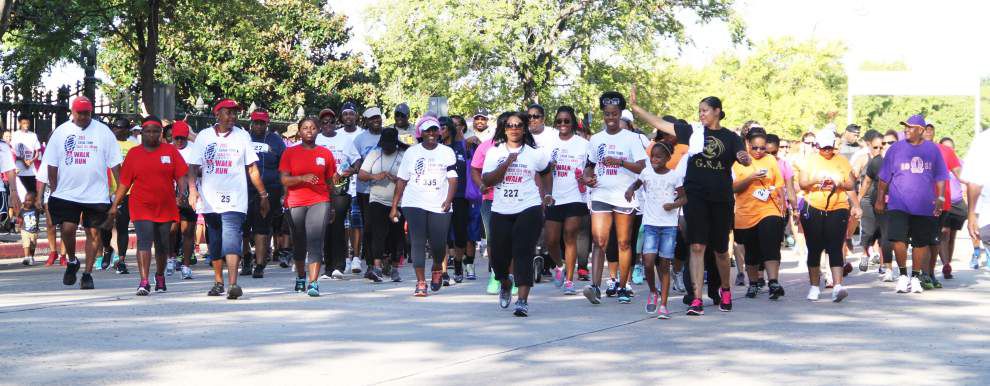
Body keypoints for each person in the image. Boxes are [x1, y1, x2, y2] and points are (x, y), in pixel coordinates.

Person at [630, 87, 751, 315]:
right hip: (696, 197)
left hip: (721, 198)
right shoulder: (693, 132)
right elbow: (662, 124)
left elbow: (743, 158)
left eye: (705, 110)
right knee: (696, 246)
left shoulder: (731, 138)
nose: (701, 114)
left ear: (717, 111)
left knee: (720, 251)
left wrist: (744, 158)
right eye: (700, 111)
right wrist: (637, 109)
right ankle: (696, 298)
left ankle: (725, 289)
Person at [187, 99, 270, 300]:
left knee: (232, 237)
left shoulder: (242, 136)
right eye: (228, 112)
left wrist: (263, 195)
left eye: (235, 113)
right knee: (215, 240)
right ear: (217, 114)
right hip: (210, 199)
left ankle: (233, 284)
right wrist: (192, 190)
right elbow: (193, 167)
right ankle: (218, 282)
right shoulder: (204, 136)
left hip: (235, 198)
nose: (232, 116)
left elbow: (252, 168)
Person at [42, 96, 120, 290]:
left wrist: (120, 191)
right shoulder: (61, 132)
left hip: (96, 194)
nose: (84, 116)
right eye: (80, 113)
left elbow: (115, 164)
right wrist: (55, 188)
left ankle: (87, 274)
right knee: (67, 229)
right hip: (67, 192)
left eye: (87, 113)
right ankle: (72, 260)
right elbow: (51, 163)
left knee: (93, 233)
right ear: (72, 112)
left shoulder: (103, 132)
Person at [109, 116, 189, 296]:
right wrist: (115, 204)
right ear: (142, 133)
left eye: (155, 131)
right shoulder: (134, 154)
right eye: (148, 131)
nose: (151, 135)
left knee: (162, 244)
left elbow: (181, 175)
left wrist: (182, 193)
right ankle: (144, 281)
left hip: (165, 204)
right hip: (141, 204)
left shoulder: (170, 151)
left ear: (161, 133)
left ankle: (159, 276)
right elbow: (124, 182)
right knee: (144, 241)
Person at [581, 91, 647, 305]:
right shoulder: (596, 139)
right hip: (601, 193)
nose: (610, 118)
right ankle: (595, 286)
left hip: (624, 195)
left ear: (620, 115)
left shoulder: (632, 138)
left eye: (614, 114)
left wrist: (619, 162)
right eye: (607, 114)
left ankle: (623, 286)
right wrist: (587, 178)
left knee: (624, 242)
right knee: (599, 240)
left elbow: (642, 167)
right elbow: (589, 167)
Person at [482, 111, 551, 317]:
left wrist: (547, 194)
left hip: (529, 206)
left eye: (518, 125)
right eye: (510, 125)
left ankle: (522, 300)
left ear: (524, 129)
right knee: (498, 256)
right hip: (501, 208)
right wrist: (506, 164)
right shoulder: (494, 152)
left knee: (523, 252)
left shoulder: (534, 153)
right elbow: (488, 180)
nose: (514, 129)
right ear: (504, 129)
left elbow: (546, 172)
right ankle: (505, 282)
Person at [875, 115, 947, 294]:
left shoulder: (932, 149)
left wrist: (940, 198)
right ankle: (902, 275)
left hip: (924, 204)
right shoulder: (895, 149)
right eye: (905, 126)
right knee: (898, 239)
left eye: (911, 127)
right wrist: (879, 199)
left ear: (921, 130)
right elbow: (884, 177)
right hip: (898, 203)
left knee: (920, 242)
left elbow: (940, 176)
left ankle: (915, 277)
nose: (906, 129)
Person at [390, 116, 457, 296]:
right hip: (414, 202)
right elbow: (402, 180)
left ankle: (437, 268)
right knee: (417, 241)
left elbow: (453, 179)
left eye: (434, 130)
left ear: (439, 132)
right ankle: (420, 282)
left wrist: (449, 200)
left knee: (438, 244)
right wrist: (394, 206)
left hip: (439, 203)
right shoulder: (411, 153)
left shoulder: (446, 152)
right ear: (421, 133)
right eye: (427, 130)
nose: (431, 133)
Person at [624, 142, 685, 318]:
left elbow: (684, 198)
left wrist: (673, 205)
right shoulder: (646, 172)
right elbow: (636, 184)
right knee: (648, 262)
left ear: (667, 158)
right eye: (652, 156)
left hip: (668, 226)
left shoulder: (674, 176)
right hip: (650, 224)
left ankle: (664, 305)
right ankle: (653, 291)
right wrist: (630, 190)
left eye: (658, 157)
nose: (654, 160)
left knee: (664, 265)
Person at [797, 129, 860, 302]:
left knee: (835, 247)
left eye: (829, 148)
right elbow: (802, 183)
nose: (826, 151)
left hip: (837, 207)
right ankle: (814, 287)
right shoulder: (810, 161)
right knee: (814, 248)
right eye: (823, 148)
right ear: (817, 146)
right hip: (814, 206)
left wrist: (839, 182)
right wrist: (817, 180)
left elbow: (850, 184)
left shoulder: (841, 160)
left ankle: (837, 286)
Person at [279, 117, 337, 296]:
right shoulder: (290, 153)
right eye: (305, 128)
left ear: (318, 130)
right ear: (299, 131)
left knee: (315, 241)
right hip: (296, 202)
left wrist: (332, 205)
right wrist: (301, 178)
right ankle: (301, 276)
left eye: (313, 127)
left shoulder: (325, 153)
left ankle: (313, 283)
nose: (309, 131)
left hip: (320, 200)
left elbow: (330, 182)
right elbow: (284, 180)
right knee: (299, 242)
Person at [732, 131, 786, 300]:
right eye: (754, 148)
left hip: (768, 208)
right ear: (747, 143)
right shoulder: (737, 161)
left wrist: (782, 203)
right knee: (752, 250)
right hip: (746, 211)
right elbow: (733, 188)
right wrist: (751, 177)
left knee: (771, 244)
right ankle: (754, 283)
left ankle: (773, 282)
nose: (758, 151)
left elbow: (779, 183)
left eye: (762, 148)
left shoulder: (770, 160)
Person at [544, 106, 590, 295]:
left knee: (570, 236)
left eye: (566, 121)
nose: (562, 124)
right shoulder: (549, 143)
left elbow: (591, 167)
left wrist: (586, 177)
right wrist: (548, 166)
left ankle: (569, 281)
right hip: (554, 196)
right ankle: (560, 266)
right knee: (551, 240)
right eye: (559, 121)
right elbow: (540, 168)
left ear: (573, 123)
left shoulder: (583, 144)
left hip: (575, 196)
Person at [240, 109, 286, 279]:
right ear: (251, 123)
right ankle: (246, 258)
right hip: (245, 188)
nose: (259, 126)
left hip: (269, 188)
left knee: (262, 226)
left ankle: (259, 264)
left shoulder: (276, 140)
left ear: (267, 124)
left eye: (262, 123)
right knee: (243, 227)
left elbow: (283, 165)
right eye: (256, 123)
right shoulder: (244, 138)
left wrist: (282, 191)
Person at [316, 106, 360, 279]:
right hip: (321, 189)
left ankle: (339, 266)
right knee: (325, 227)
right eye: (324, 122)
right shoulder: (317, 139)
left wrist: (351, 170)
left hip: (340, 188)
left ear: (336, 123)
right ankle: (328, 267)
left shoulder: (345, 140)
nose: (328, 124)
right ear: (320, 124)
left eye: (331, 121)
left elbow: (357, 161)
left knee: (338, 225)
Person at [358, 127, 405, 283]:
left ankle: (394, 268)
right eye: (384, 144)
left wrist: (398, 179)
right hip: (377, 199)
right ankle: (377, 267)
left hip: (398, 201)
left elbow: (409, 177)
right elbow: (361, 175)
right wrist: (375, 176)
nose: (386, 148)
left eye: (389, 145)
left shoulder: (403, 155)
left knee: (397, 234)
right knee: (378, 233)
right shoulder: (374, 154)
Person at [924, 124, 962, 284]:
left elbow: (961, 174)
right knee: (922, 239)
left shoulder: (946, 151)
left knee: (934, 240)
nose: (928, 131)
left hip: (940, 203)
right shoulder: (910, 149)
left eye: (930, 128)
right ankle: (922, 273)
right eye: (925, 128)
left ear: (934, 132)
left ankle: (930, 273)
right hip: (918, 202)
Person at [100, 117, 138, 274]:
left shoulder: (134, 146)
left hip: (127, 191)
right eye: (114, 127)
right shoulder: (106, 144)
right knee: (104, 225)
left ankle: (121, 260)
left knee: (122, 226)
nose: (116, 130)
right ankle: (107, 249)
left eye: (120, 127)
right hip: (106, 191)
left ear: (127, 130)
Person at [857, 130, 893, 277]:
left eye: (882, 146)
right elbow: (864, 181)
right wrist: (857, 201)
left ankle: (885, 265)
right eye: (876, 147)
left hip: (888, 201)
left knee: (884, 234)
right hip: (868, 199)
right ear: (869, 146)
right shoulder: (867, 159)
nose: (879, 149)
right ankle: (865, 253)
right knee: (869, 231)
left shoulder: (894, 160)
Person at [354, 107, 384, 277]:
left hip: (386, 188)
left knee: (385, 226)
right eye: (372, 118)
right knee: (369, 227)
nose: (376, 121)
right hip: (365, 190)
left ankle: (385, 260)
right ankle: (371, 263)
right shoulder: (360, 139)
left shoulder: (388, 134)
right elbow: (354, 161)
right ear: (366, 121)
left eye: (378, 117)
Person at [439, 116, 469, 285]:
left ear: (450, 129)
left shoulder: (463, 146)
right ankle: (443, 271)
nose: (439, 131)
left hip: (460, 196)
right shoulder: (435, 148)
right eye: (437, 127)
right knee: (441, 235)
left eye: (443, 127)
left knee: (460, 236)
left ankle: (458, 263)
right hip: (440, 197)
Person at [171, 120, 198, 279]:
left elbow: (201, 170)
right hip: (170, 194)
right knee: (171, 230)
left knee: (187, 231)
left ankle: (186, 265)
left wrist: (189, 171)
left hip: (189, 194)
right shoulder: (167, 149)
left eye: (183, 138)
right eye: (177, 138)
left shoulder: (194, 150)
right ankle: (171, 258)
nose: (180, 141)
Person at [964, 128, 990, 270]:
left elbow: (973, 182)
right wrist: (972, 214)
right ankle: (977, 253)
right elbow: (973, 182)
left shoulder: (983, 139)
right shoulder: (983, 140)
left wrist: (971, 214)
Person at [11, 115, 41, 197]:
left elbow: (37, 152)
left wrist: (31, 161)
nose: (26, 125)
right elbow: (13, 152)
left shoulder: (33, 135)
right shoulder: (15, 135)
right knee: (22, 195)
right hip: (19, 171)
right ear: (19, 123)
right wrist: (23, 160)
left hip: (31, 171)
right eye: (24, 123)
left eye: (27, 123)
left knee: (33, 193)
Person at [18, 191, 40, 266]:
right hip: (25, 230)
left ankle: (31, 257)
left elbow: (42, 210)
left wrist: (38, 204)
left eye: (30, 200)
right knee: (26, 244)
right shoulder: (22, 210)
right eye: (26, 200)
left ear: (34, 201)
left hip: (34, 231)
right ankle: (26, 257)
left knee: (33, 245)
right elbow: (20, 218)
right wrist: (19, 225)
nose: (27, 202)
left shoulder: (36, 209)